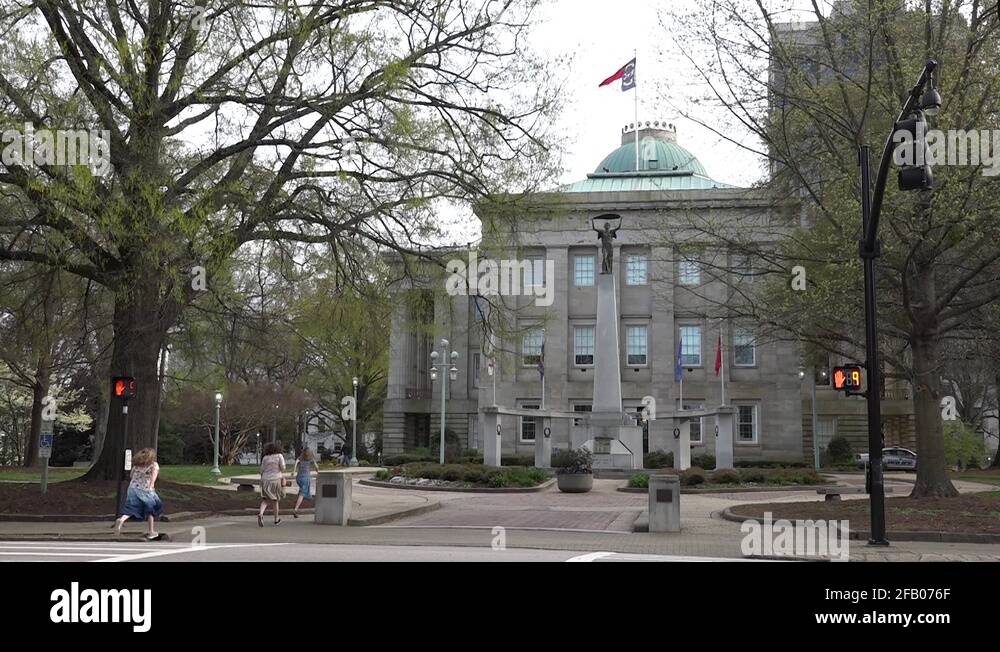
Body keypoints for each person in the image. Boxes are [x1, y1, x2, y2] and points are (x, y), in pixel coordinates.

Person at [115, 448, 166, 540]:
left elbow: (131, 476)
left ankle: (121, 519)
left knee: (132, 507)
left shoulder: (136, 466)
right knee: (151, 509)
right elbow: (153, 477)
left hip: (132, 488)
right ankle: (151, 531)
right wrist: (151, 485)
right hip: (146, 489)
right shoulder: (154, 465)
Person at [258, 441, 286, 527]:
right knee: (275, 500)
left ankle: (261, 513)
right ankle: (276, 519)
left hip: (265, 480)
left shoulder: (265, 458)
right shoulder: (279, 456)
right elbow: (283, 468)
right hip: (276, 479)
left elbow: (261, 470)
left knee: (265, 500)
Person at [292, 447, 320, 518]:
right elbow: (317, 467)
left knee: (303, 491)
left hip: (298, 478)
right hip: (305, 478)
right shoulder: (311, 459)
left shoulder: (300, 458)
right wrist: (317, 470)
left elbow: (296, 462)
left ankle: (309, 500)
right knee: (302, 493)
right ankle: (295, 509)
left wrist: (294, 471)